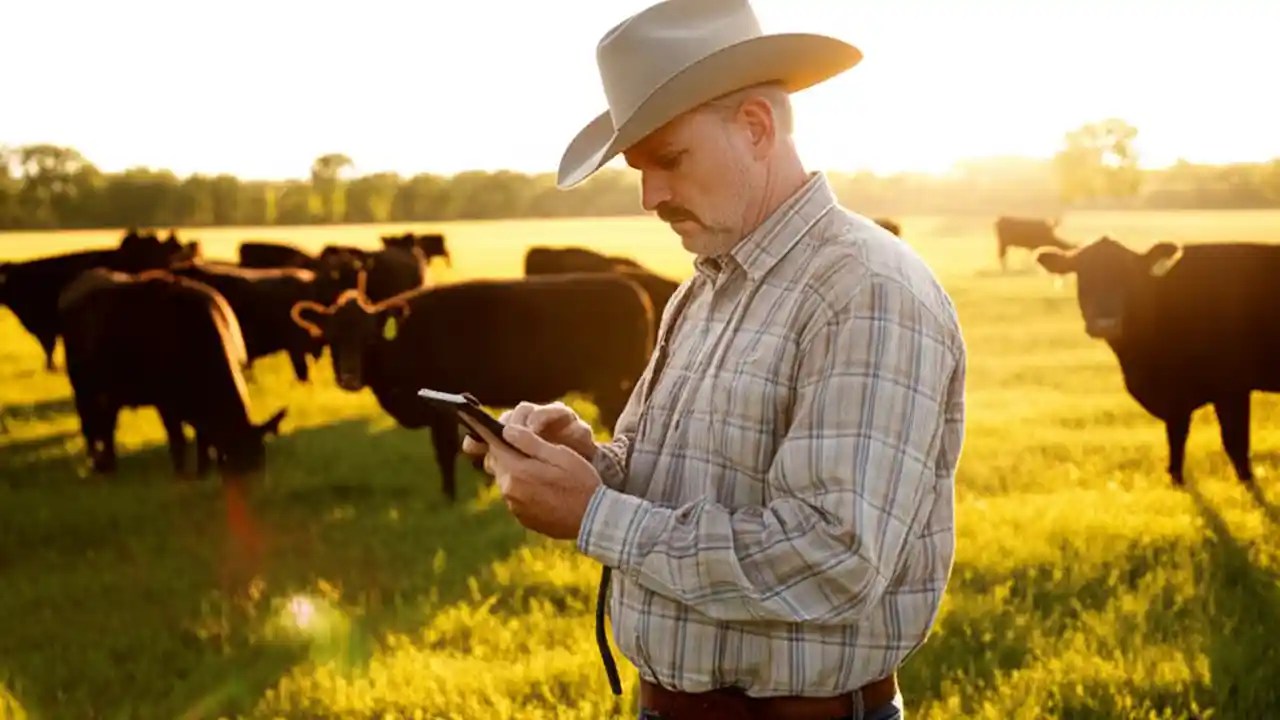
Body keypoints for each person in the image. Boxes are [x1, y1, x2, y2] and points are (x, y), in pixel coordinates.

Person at [460, 0, 967, 718]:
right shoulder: (705, 286)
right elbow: (693, 484)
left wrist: (594, 514)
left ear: (756, 127)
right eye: (639, 169)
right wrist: (592, 462)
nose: (649, 196)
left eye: (668, 160)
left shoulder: (867, 290)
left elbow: (833, 559)